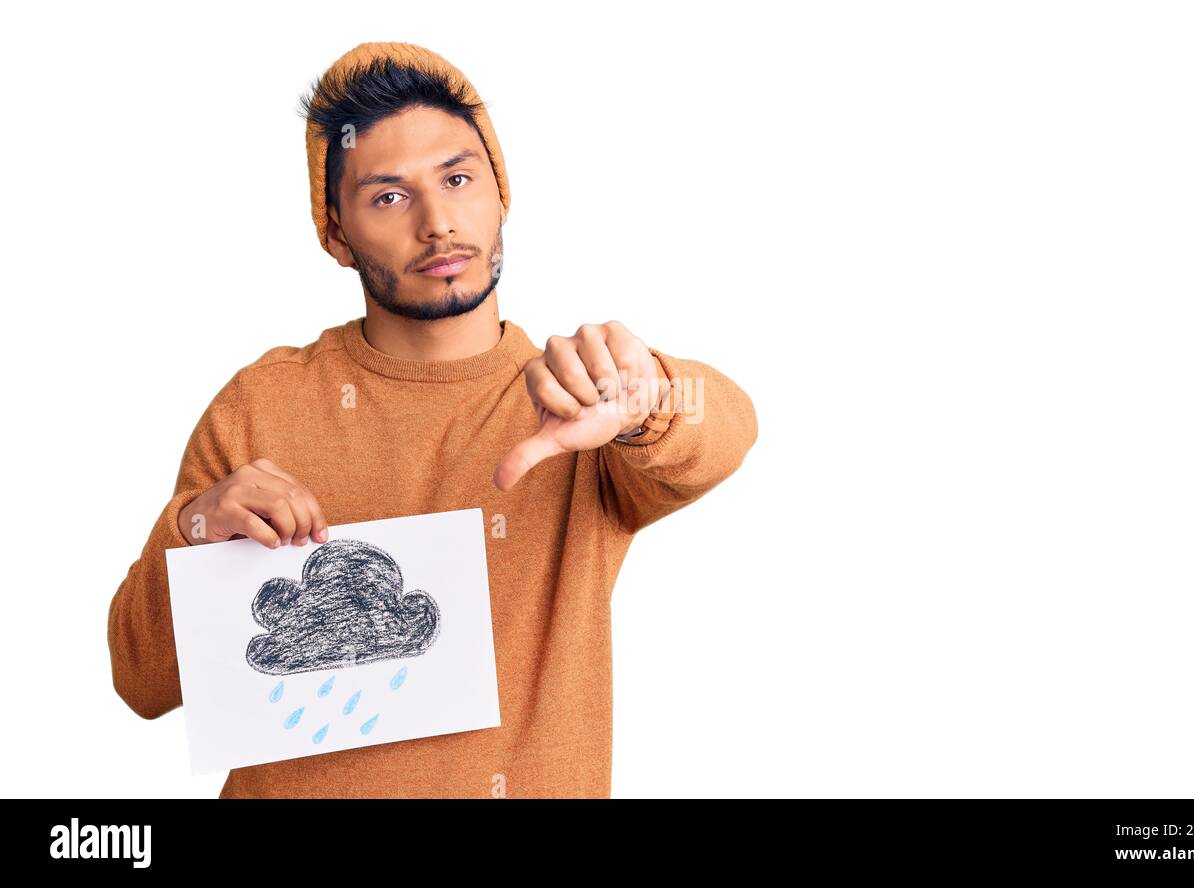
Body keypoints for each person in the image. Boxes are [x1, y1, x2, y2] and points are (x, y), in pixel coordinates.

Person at [107, 41, 758, 798]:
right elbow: (142, 681)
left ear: (501, 193)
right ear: (335, 235)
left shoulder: (580, 404)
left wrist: (649, 402)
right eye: (389, 196)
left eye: (458, 178)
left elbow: (729, 426)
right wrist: (195, 525)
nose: (439, 222)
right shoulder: (260, 404)